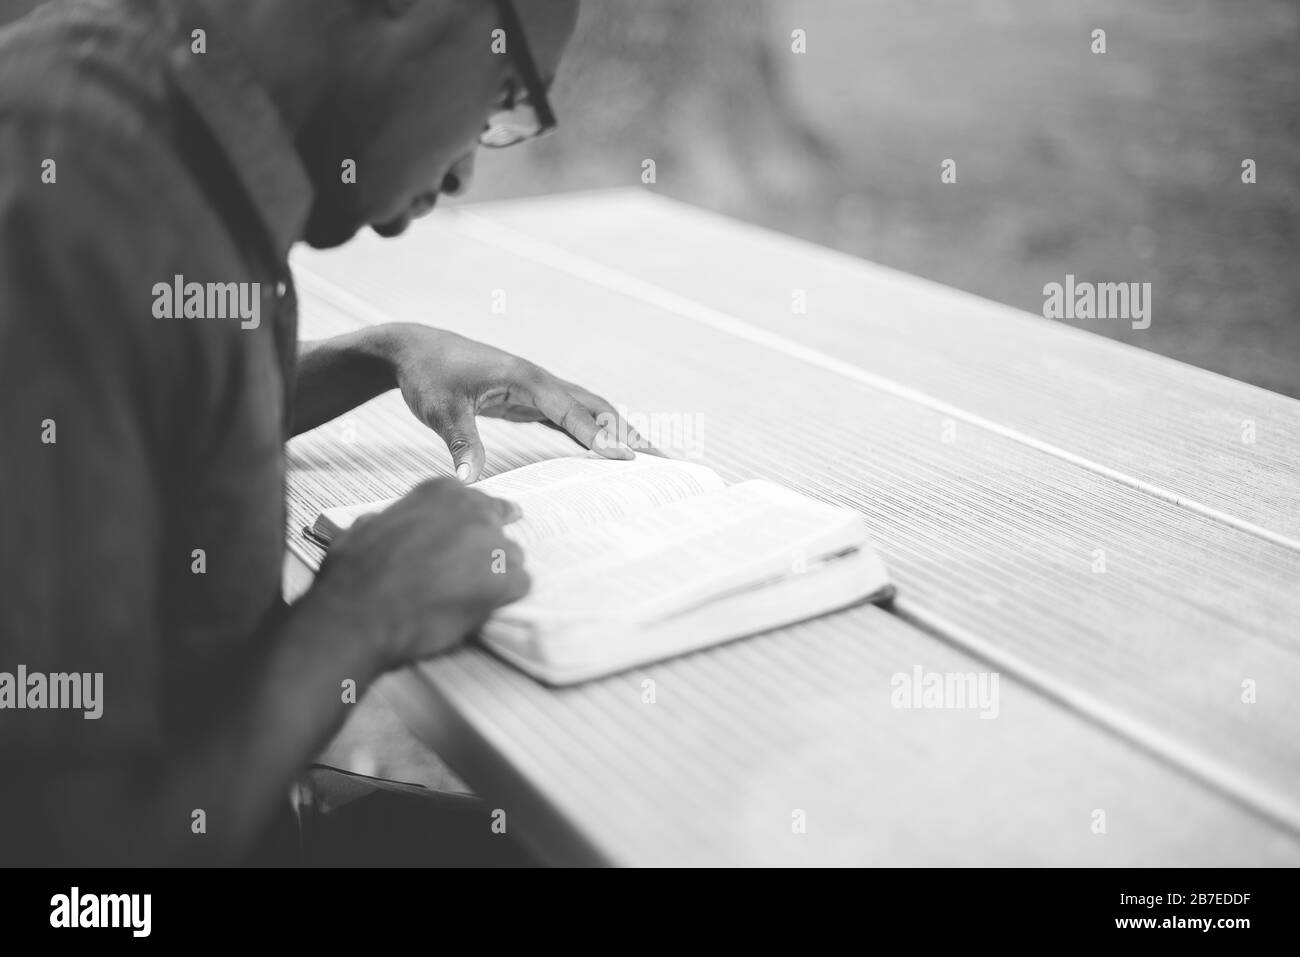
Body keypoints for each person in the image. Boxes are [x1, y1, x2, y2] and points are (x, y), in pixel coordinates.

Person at [0, 0, 638, 865]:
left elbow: (143, 402)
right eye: (504, 93)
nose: (462, 177)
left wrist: (382, 354)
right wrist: (359, 613)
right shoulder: (72, 198)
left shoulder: (149, 110)